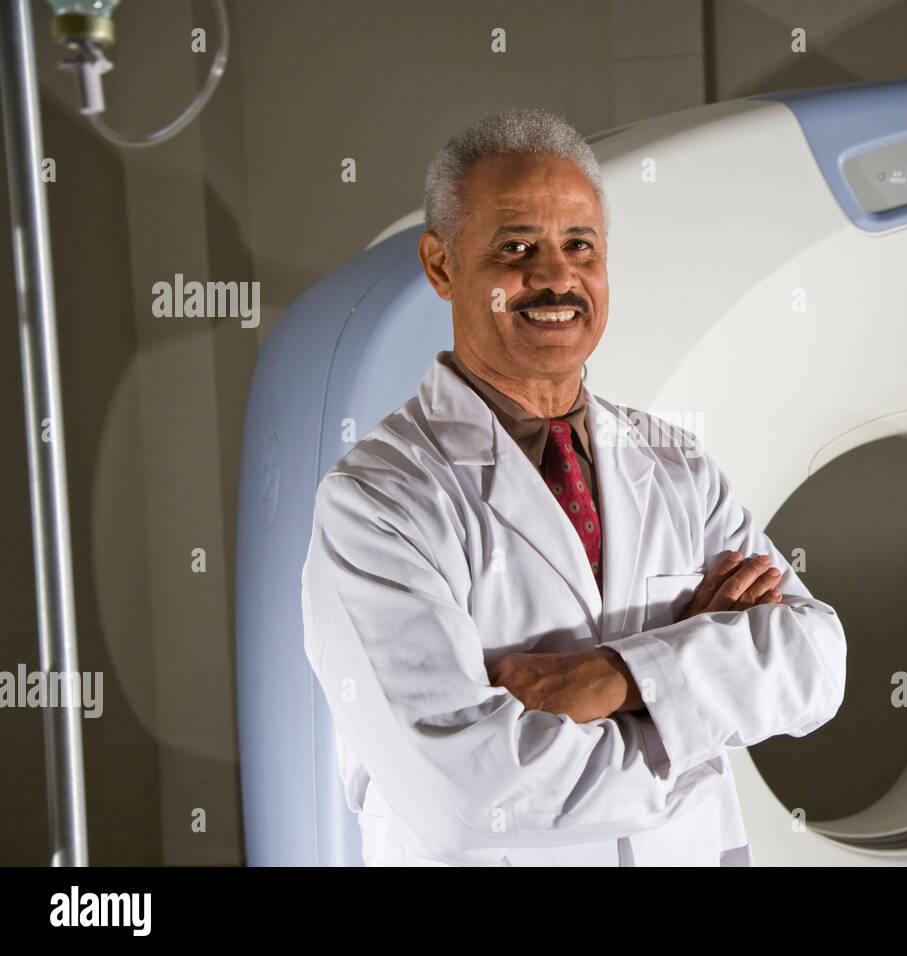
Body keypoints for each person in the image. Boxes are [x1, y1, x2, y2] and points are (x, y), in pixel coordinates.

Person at [300, 106, 847, 866]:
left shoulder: (676, 465)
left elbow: (816, 662)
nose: (556, 276)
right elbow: (474, 798)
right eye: (516, 247)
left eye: (579, 246)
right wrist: (698, 708)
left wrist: (613, 676)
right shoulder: (379, 502)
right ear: (441, 265)